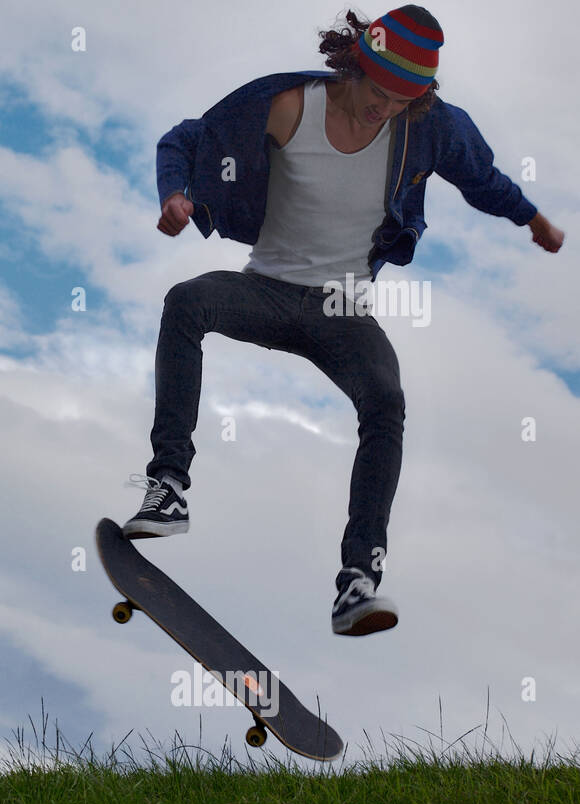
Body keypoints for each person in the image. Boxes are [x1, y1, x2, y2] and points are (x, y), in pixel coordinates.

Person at [127, 6, 564, 635]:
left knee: (386, 399)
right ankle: (168, 485)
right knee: (187, 301)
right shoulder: (286, 105)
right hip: (268, 290)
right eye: (376, 93)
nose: (382, 109)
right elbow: (187, 139)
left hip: (343, 311)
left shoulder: (430, 127)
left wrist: (532, 218)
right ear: (353, 67)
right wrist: (174, 194)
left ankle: (358, 580)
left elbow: (482, 179)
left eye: (401, 102)